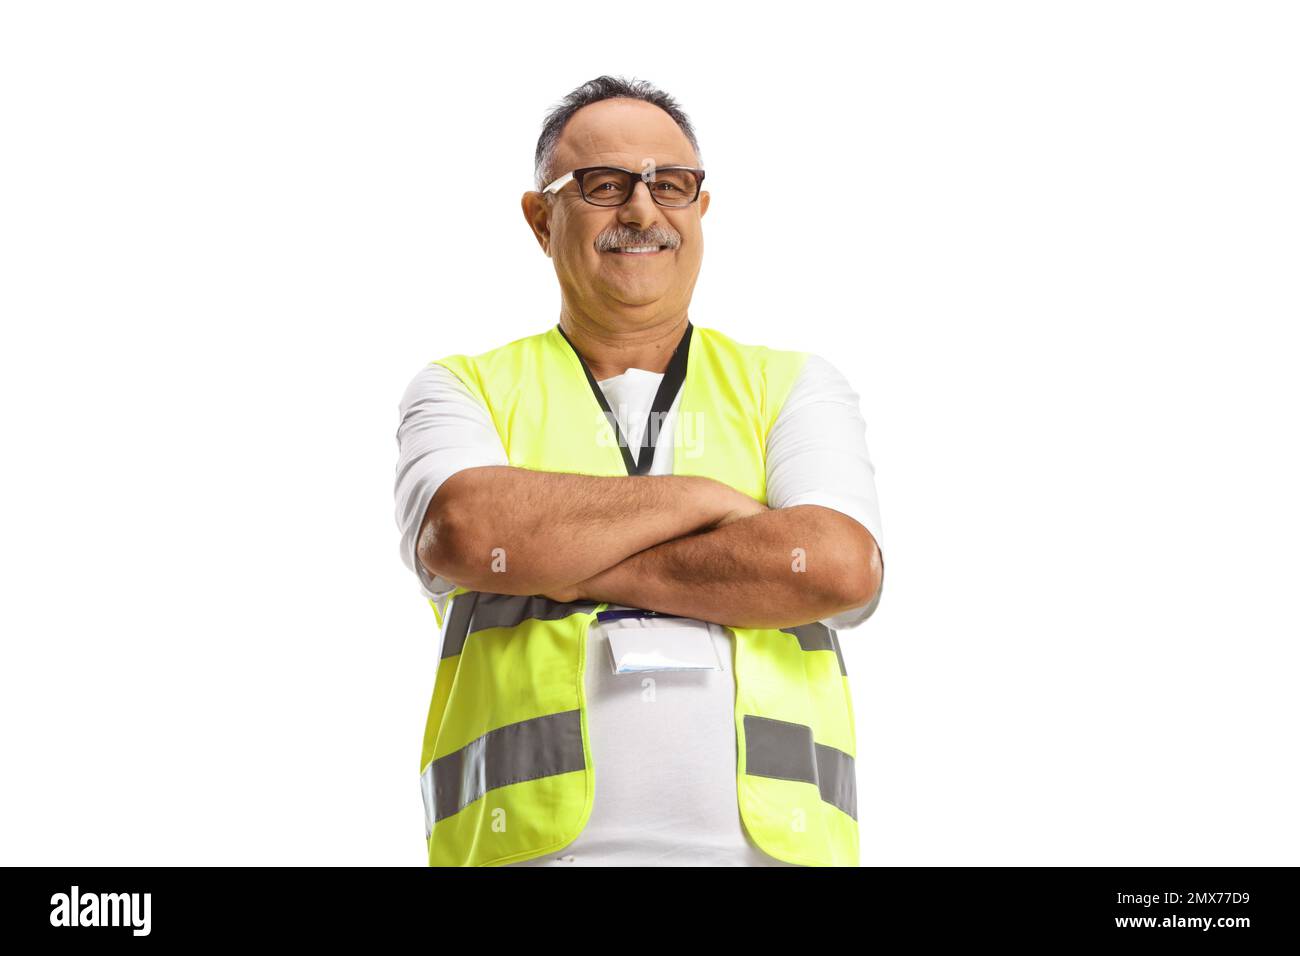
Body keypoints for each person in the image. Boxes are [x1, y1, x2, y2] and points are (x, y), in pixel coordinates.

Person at [394, 75, 884, 867]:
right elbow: (469, 533)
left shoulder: (792, 384)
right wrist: (708, 502)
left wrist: (560, 557)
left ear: (701, 210)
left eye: (672, 185)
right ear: (541, 217)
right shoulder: (463, 388)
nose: (643, 210)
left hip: (777, 854)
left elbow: (835, 564)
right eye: (605, 185)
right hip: (526, 852)